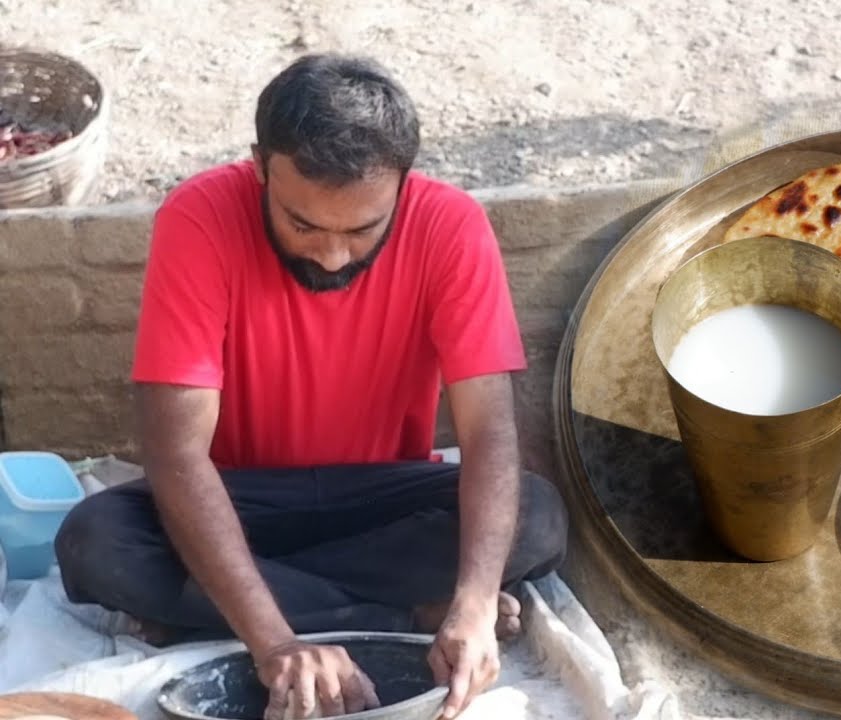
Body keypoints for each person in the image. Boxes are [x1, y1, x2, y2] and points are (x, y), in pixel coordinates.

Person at [53, 53, 569, 720]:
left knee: (538, 515)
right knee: (97, 543)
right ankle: (398, 614)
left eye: (361, 229)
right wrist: (274, 643)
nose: (332, 255)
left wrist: (471, 604)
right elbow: (177, 455)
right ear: (260, 165)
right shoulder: (198, 216)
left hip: (379, 494)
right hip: (242, 501)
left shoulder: (452, 224)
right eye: (303, 225)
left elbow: (490, 431)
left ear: (403, 186)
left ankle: (211, 610)